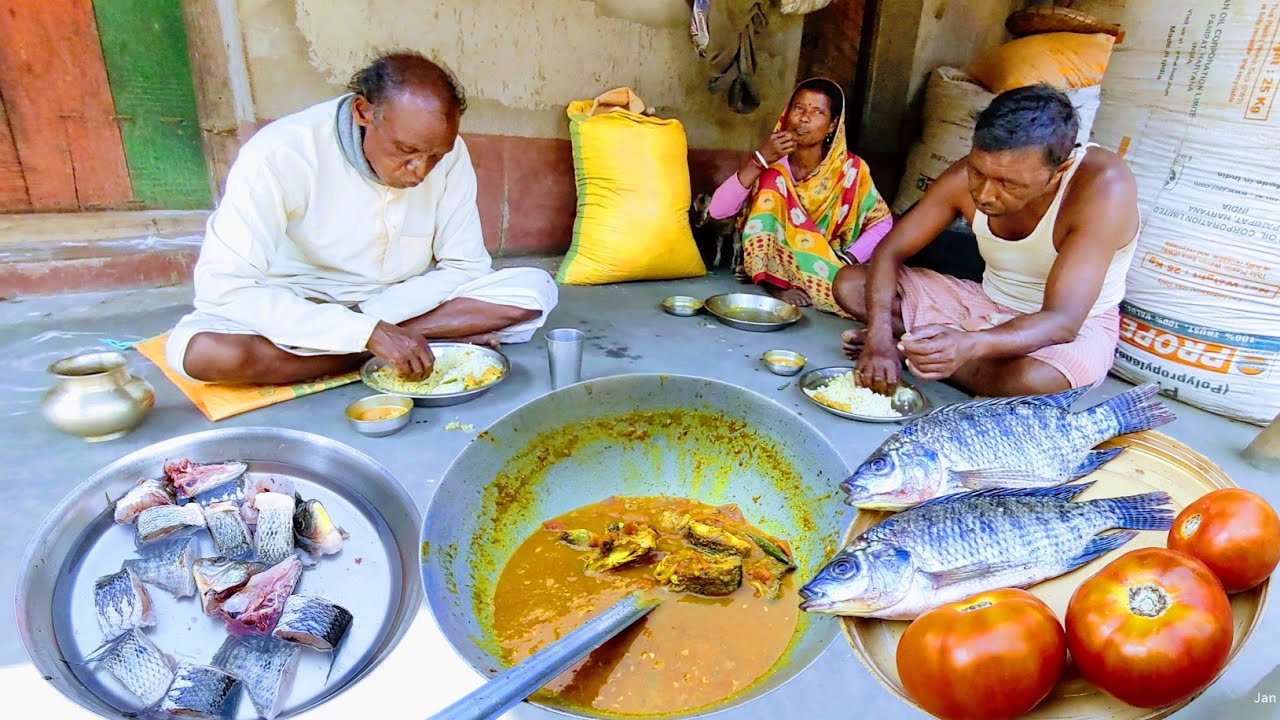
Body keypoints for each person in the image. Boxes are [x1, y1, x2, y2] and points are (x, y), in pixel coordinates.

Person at [165, 52, 557, 385]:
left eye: (433, 157)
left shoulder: (449, 154)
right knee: (203, 354)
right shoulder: (281, 154)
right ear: (363, 112)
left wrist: (379, 320)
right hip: (303, 303)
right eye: (406, 151)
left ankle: (380, 346)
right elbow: (223, 287)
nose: (420, 171)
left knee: (535, 290)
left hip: (403, 301)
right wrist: (361, 332)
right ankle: (392, 346)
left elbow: (465, 265)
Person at [833, 84, 1139, 397]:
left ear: (1058, 170)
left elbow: (1062, 322)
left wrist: (969, 344)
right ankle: (933, 353)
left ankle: (921, 353)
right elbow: (890, 252)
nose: (984, 193)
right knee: (851, 284)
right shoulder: (964, 177)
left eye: (1009, 183)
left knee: (1034, 379)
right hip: (983, 301)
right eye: (978, 171)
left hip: (1071, 326)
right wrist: (879, 339)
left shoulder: (1103, 188)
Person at [707, 78, 892, 314]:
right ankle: (773, 280)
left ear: (833, 124)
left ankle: (788, 277)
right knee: (772, 178)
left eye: (817, 112)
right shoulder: (771, 164)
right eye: (799, 108)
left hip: (827, 264)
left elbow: (883, 223)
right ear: (786, 114)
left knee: (861, 296)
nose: (804, 119)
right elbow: (717, 210)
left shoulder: (851, 170)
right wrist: (760, 159)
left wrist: (849, 260)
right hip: (776, 261)